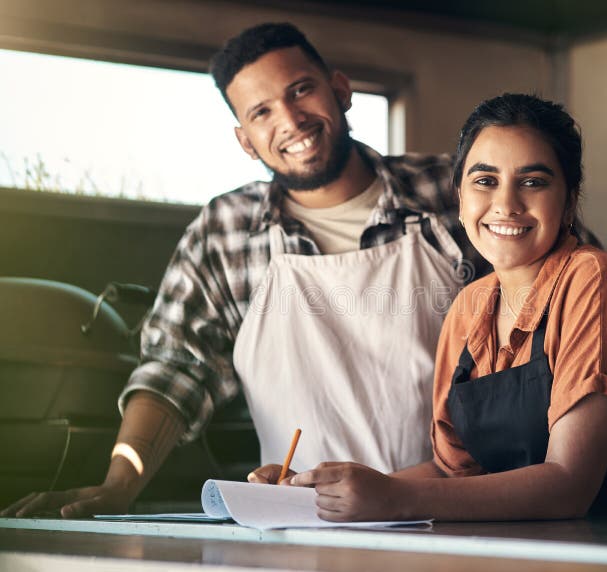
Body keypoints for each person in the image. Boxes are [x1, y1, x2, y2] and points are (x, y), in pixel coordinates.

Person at [2, 22, 485, 519]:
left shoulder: (452, 191)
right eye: (262, 112)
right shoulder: (225, 230)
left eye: (301, 90)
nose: (291, 120)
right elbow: (176, 368)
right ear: (245, 141)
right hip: (301, 523)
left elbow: (544, 326)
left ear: (339, 90)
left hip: (461, 511)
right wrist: (118, 485)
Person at [274, 93, 607, 522]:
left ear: (568, 200)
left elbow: (570, 484)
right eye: (485, 181)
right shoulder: (469, 307)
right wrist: (313, 495)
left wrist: (394, 498)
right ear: (460, 195)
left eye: (533, 181)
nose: (506, 204)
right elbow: (451, 473)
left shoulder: (596, 281)